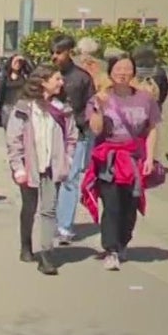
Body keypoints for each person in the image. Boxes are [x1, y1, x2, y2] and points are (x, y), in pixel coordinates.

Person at [82, 55, 162, 271]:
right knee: (112, 204)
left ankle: (124, 241)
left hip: (134, 158)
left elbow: (153, 128)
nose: (123, 73)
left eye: (127, 68)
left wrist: (149, 157)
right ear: (110, 72)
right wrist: (99, 106)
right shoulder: (100, 97)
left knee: (130, 204)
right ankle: (111, 249)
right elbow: (96, 129)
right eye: (118, 68)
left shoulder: (145, 99)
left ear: (134, 72)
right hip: (109, 158)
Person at [4, 65, 78, 276]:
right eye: (57, 78)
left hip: (52, 167)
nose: (61, 82)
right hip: (30, 166)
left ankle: (46, 255)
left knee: (49, 209)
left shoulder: (62, 109)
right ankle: (25, 245)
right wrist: (17, 166)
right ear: (43, 81)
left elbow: (72, 137)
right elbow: (14, 139)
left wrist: (68, 158)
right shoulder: (24, 108)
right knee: (30, 207)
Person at [50, 35, 95, 245]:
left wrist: (86, 126)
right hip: (52, 133)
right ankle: (50, 219)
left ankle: (64, 226)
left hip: (77, 134)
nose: (54, 57)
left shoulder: (83, 78)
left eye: (59, 53)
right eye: (53, 52)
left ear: (69, 52)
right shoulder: (48, 74)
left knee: (71, 179)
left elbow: (91, 105)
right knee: (52, 178)